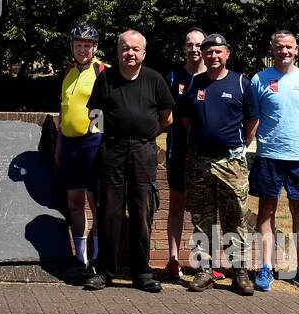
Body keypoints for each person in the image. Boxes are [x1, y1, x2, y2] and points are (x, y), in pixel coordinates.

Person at [82, 30, 174, 293]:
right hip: (111, 150)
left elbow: (167, 118)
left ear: (143, 53)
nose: (130, 53)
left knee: (142, 212)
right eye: (125, 48)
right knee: (109, 212)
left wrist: (145, 135)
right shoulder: (106, 79)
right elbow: (94, 114)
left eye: (135, 49)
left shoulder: (155, 80)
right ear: (118, 51)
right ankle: (106, 271)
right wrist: (110, 137)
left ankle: (142, 272)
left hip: (144, 153)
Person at [179, 34, 259, 295]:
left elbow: (252, 122)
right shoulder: (195, 84)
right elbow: (187, 119)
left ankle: (239, 272)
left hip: (231, 163)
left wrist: (237, 146)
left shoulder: (241, 83)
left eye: (218, 52)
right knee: (202, 218)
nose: (213, 56)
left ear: (227, 54)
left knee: (235, 218)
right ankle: (204, 270)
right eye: (209, 52)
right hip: (201, 161)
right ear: (203, 55)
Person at [249, 30, 299, 292]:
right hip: (269, 155)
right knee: (266, 211)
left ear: (296, 49)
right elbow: (253, 117)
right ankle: (265, 267)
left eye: (289, 47)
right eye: (279, 47)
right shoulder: (259, 79)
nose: (284, 51)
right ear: (271, 49)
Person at [55, 24, 106, 276]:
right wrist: (59, 143)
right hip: (69, 144)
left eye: (87, 45)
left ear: (95, 47)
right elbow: (65, 110)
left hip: (92, 143)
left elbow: (106, 107)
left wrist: (99, 134)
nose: (82, 49)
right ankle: (80, 256)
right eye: (78, 45)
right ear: (72, 47)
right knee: (74, 202)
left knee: (95, 203)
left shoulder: (101, 70)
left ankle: (97, 257)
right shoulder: (67, 71)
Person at [162, 27, 207, 282]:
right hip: (177, 151)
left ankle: (205, 263)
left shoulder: (214, 78)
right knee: (177, 206)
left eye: (198, 44)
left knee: (205, 209)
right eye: (189, 44)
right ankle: (173, 260)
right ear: (183, 49)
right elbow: (163, 115)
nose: (194, 49)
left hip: (206, 154)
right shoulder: (171, 78)